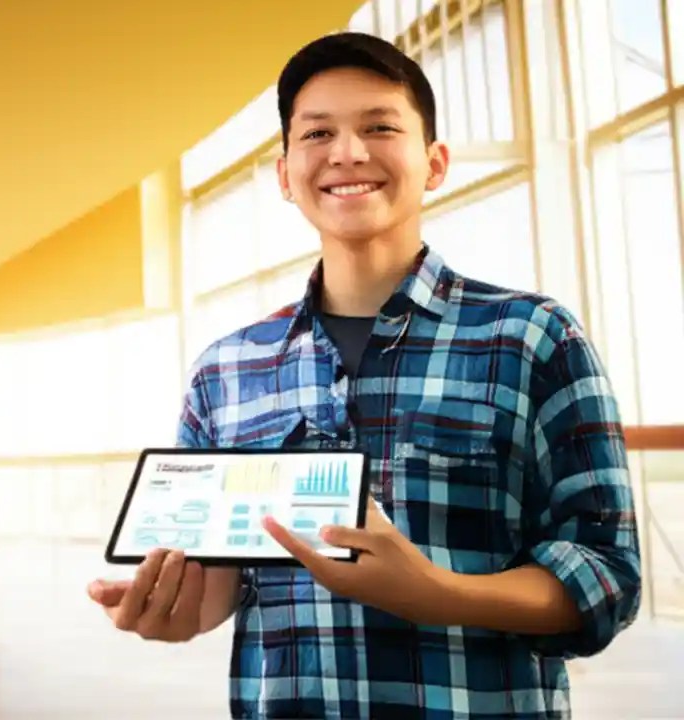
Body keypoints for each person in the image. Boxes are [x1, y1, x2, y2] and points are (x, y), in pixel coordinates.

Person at [87, 31, 641, 719]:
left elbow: (607, 573)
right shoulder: (225, 370)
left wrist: (438, 592)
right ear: (285, 174)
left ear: (434, 163)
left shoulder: (533, 338)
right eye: (317, 133)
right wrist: (179, 609)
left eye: (379, 127)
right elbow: (225, 582)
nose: (347, 152)